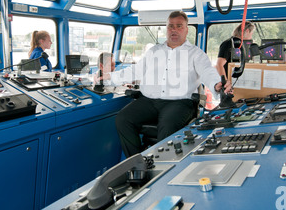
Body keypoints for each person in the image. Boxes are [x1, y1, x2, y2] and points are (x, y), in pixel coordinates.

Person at [97, 11, 231, 157]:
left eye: (179, 26)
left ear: (186, 30)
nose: (174, 30)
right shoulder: (154, 51)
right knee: (123, 119)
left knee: (167, 126)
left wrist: (217, 84)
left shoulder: (196, 54)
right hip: (149, 101)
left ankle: (159, 166)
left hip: (179, 102)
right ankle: (136, 162)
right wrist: (108, 78)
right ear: (166, 29)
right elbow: (135, 70)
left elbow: (207, 72)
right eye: (170, 26)